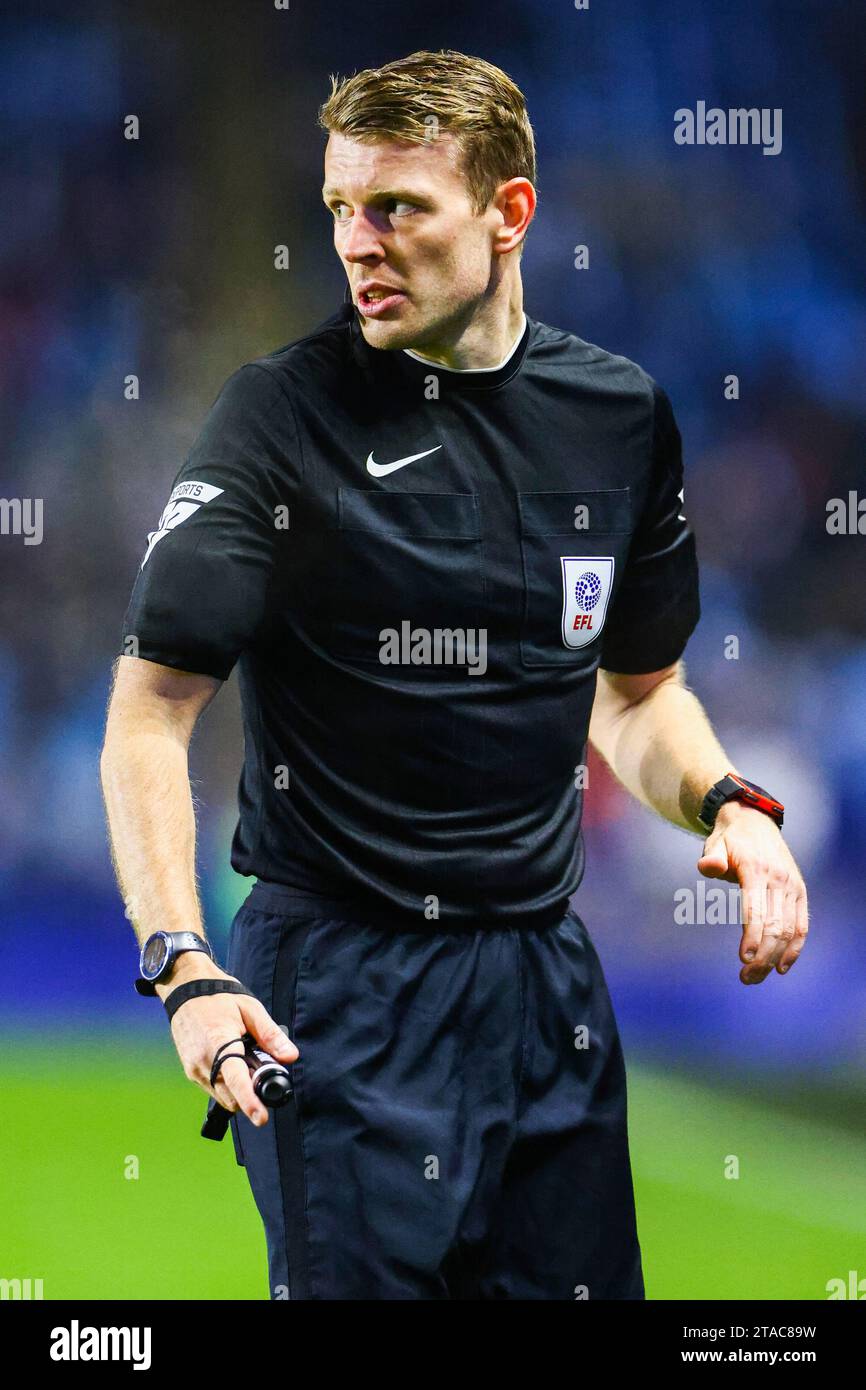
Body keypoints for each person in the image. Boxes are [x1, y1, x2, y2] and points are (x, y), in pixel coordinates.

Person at [100, 49, 808, 1301]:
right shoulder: (280, 419)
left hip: (544, 988)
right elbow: (150, 713)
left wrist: (729, 807)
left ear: (508, 212)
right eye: (337, 211)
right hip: (336, 992)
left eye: (396, 209)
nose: (357, 244)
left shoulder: (618, 417)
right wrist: (184, 966)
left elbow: (635, 696)